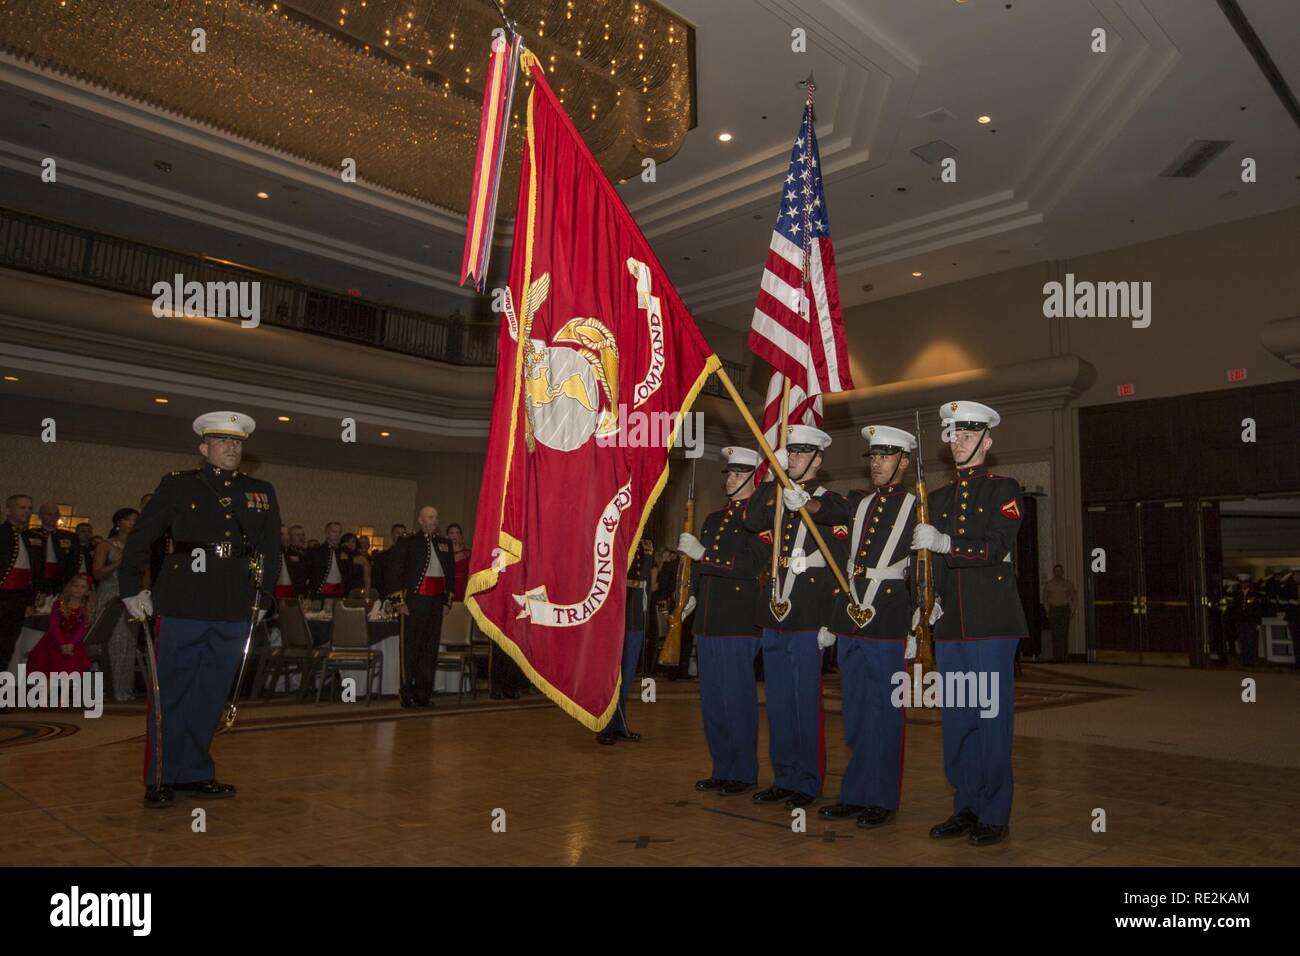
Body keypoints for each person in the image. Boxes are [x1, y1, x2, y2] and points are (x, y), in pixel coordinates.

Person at [119, 411, 281, 810]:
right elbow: (142, 537)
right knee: (171, 690)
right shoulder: (178, 486)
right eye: (223, 442)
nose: (232, 448)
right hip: (183, 599)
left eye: (238, 443)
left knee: (211, 692)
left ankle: (195, 771)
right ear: (204, 448)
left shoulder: (260, 490)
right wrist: (130, 590)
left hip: (233, 602)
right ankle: (160, 775)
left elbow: (269, 550)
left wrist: (262, 597)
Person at [911, 400, 1027, 847]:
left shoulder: (1004, 489)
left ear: (987, 439)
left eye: (966, 433)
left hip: (991, 624)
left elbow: (997, 547)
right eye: (952, 434)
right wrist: (924, 608)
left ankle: (995, 812)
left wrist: (945, 542)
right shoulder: (936, 497)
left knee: (991, 719)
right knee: (958, 720)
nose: (957, 440)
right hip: (951, 626)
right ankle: (967, 805)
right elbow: (930, 567)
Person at [817, 425, 918, 830]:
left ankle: (882, 797)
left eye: (886, 456)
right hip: (854, 614)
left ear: (904, 462)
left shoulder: (918, 505)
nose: (876, 462)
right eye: (873, 456)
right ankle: (855, 793)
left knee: (886, 713)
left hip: (890, 616)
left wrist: (917, 622)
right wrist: (802, 501)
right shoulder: (859, 502)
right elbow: (828, 513)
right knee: (856, 712)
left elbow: (923, 569)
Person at [744, 424, 849, 809]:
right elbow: (752, 522)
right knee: (779, 703)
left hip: (807, 615)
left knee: (806, 704)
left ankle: (808, 780)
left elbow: (840, 556)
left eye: (803, 453)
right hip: (774, 614)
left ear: (818, 459)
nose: (795, 459)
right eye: (791, 453)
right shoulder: (774, 494)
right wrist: (772, 476)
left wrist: (832, 619)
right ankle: (784, 776)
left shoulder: (830, 500)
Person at [676, 446, 766, 795]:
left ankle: (742, 772)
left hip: (739, 622)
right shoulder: (714, 519)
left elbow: (749, 565)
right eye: (728, 472)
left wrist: (704, 554)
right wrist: (692, 596)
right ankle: (721, 767)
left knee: (737, 700)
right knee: (712, 701)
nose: (730, 478)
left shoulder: (759, 520)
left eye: (737, 473)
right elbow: (700, 570)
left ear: (753, 478)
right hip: (709, 622)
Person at [386, 506, 456, 708]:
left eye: (436, 517)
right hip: (414, 602)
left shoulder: (445, 544)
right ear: (421, 520)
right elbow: (394, 574)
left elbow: (450, 576)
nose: (434, 521)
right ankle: (406, 692)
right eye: (430, 517)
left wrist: (447, 602)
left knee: (430, 649)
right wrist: (399, 603)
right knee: (410, 648)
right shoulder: (408, 543)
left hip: (436, 603)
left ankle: (423, 693)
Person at [598, 536, 654, 744]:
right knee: (612, 678)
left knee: (627, 676)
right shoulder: (614, 541)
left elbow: (646, 585)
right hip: (616, 618)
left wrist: (645, 617)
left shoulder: (645, 544)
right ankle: (606, 726)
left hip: (635, 617)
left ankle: (620, 725)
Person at [93, 507, 139, 702]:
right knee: (111, 644)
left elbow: (145, 572)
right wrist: (118, 563)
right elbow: (98, 573)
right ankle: (109, 690)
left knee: (128, 644)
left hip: (132, 598)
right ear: (118, 522)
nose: (133, 523)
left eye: (136, 520)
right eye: (129, 520)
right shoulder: (105, 545)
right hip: (111, 597)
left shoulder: (138, 545)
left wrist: (144, 594)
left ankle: (124, 689)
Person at [25, 574, 95, 677]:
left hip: (74, 643)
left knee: (69, 663)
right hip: (54, 640)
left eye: (82, 587)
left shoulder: (85, 609)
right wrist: (62, 643)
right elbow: (54, 626)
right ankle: (47, 690)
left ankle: (62, 690)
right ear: (70, 587)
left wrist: (71, 644)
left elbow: (82, 630)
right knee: (51, 661)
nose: (78, 589)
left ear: (88, 592)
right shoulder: (59, 604)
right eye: (75, 585)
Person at [1, 494, 38, 675]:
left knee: (7, 646)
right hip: (2, 597)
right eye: (22, 507)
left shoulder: (30, 537)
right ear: (8, 510)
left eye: (29, 508)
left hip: (18, 598)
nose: (27, 511)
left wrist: (29, 602)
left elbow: (32, 573)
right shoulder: (2, 534)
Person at [33, 501, 78, 598]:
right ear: (40, 516)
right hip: (37, 581)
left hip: (61, 581)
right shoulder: (32, 534)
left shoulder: (69, 536)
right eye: (49, 514)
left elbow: (73, 562)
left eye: (55, 514)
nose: (52, 517)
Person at [306, 522, 354, 604]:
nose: (337, 535)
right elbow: (310, 573)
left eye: (339, 532)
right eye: (334, 532)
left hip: (340, 594)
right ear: (327, 533)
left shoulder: (345, 551)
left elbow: (349, 573)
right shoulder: (316, 551)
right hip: (321, 593)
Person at [1042, 564, 1077, 662]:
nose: (1058, 573)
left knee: (1064, 634)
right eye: (1056, 571)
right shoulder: (1049, 584)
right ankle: (1056, 657)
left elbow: (1074, 597)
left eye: (1059, 571)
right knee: (1055, 634)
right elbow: (1045, 598)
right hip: (1053, 609)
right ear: (1054, 572)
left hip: (1064, 609)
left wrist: (1073, 610)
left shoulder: (1067, 584)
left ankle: (1064, 656)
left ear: (1062, 572)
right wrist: (1047, 610)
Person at [339, 532, 370, 597]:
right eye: (347, 541)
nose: (350, 544)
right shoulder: (338, 555)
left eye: (353, 542)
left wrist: (366, 591)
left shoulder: (361, 559)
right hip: (340, 590)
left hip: (357, 591)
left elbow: (367, 578)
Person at [446, 523, 471, 602]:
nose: (454, 535)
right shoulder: (442, 553)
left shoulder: (468, 553)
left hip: (462, 588)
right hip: (446, 587)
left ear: (461, 536)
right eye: (452, 533)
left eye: (457, 533)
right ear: (447, 536)